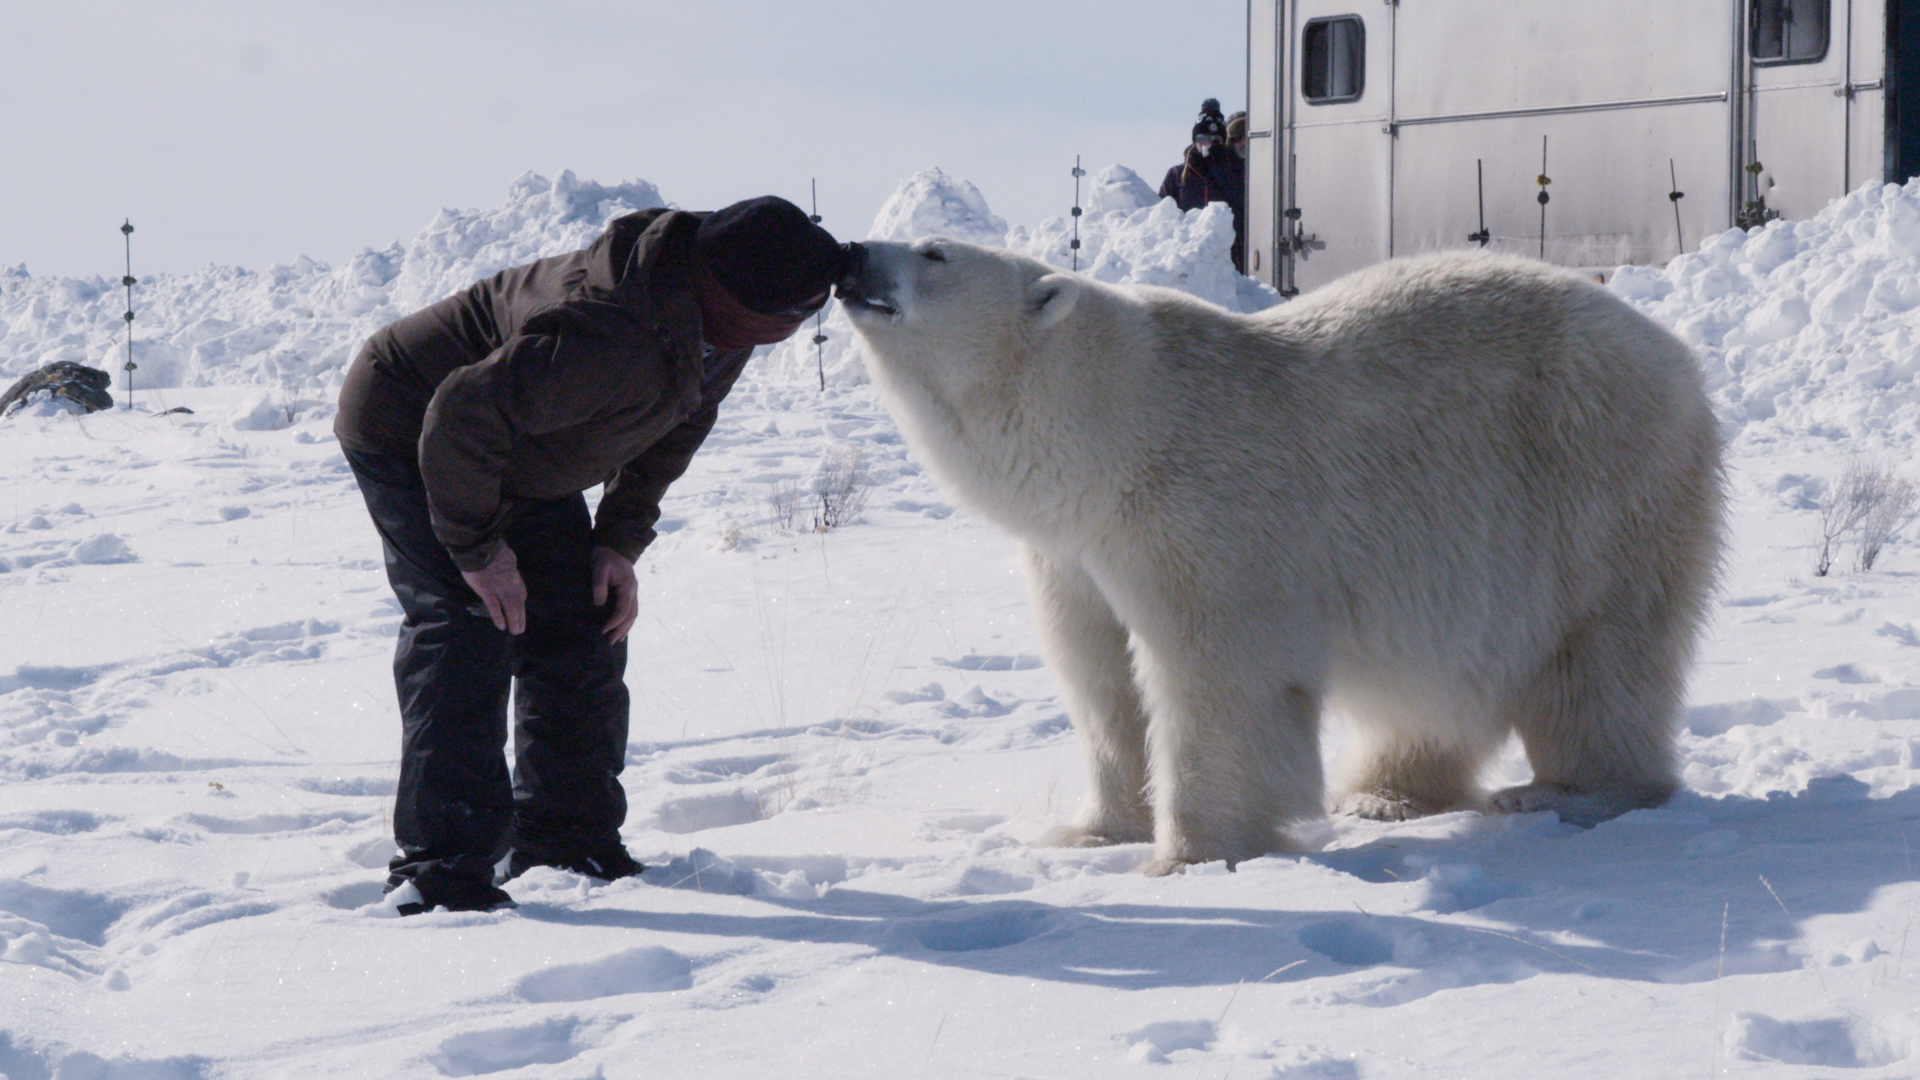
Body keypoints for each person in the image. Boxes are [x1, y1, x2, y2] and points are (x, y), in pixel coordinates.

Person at [334, 196, 851, 914]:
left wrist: (617, 540)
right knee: (467, 625)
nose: (797, 329)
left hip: (524, 447)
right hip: (411, 422)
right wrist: (479, 552)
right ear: (734, 299)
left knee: (583, 617)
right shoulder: (609, 332)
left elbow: (679, 424)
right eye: (792, 315)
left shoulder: (716, 324)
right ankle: (441, 872)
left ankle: (566, 840)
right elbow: (459, 416)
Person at [1158, 98, 1247, 273]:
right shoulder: (1177, 175)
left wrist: (1220, 167)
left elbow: (1243, 202)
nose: (1208, 143)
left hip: (1232, 262)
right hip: (1190, 262)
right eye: (1202, 138)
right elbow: (1160, 219)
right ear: (1194, 140)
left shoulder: (1239, 171)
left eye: (1215, 139)